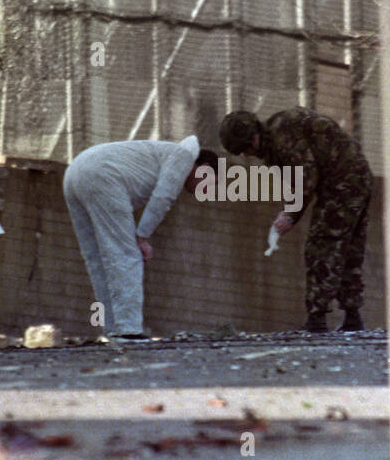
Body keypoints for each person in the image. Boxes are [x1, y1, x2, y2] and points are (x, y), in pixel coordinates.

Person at [220, 108, 372, 333]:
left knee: (321, 246)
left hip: (343, 183)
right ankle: (352, 317)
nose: (247, 155)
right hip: (357, 177)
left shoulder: (283, 136)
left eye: (246, 149)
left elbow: (305, 179)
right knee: (348, 249)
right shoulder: (279, 131)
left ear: (254, 138)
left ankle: (317, 319)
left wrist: (290, 215)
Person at [63, 138, 218, 340]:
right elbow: (163, 198)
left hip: (76, 171)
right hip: (103, 174)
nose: (205, 191)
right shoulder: (183, 157)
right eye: (209, 182)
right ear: (204, 168)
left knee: (97, 259)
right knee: (126, 255)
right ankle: (129, 329)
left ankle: (110, 328)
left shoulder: (163, 155)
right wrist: (142, 237)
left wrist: (140, 235)